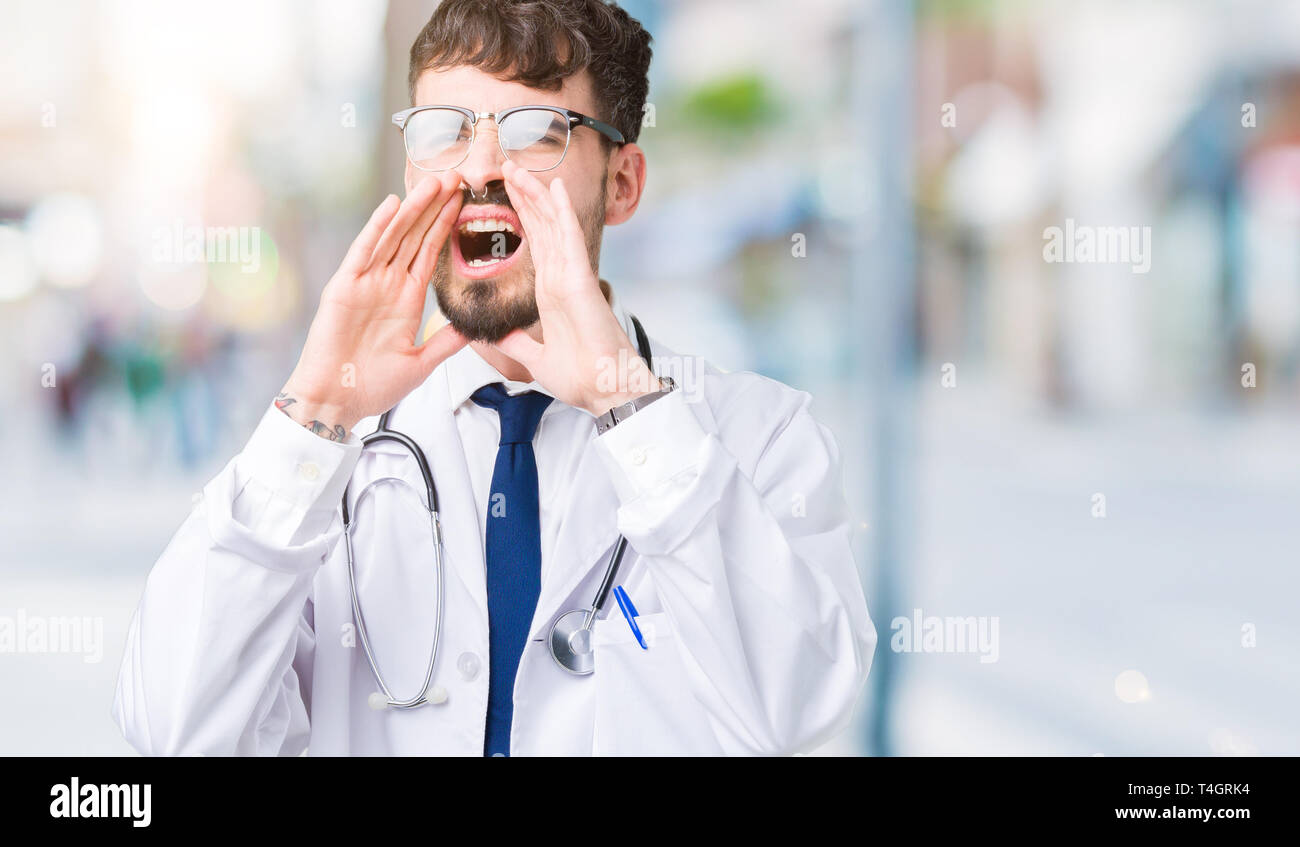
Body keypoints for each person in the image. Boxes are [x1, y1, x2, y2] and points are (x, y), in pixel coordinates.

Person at [113, 0, 876, 756]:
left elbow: (800, 708)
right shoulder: (326, 458)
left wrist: (627, 403)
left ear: (622, 182)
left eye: (536, 132)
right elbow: (178, 735)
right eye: (444, 131)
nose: (479, 168)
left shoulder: (761, 435)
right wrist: (315, 408)